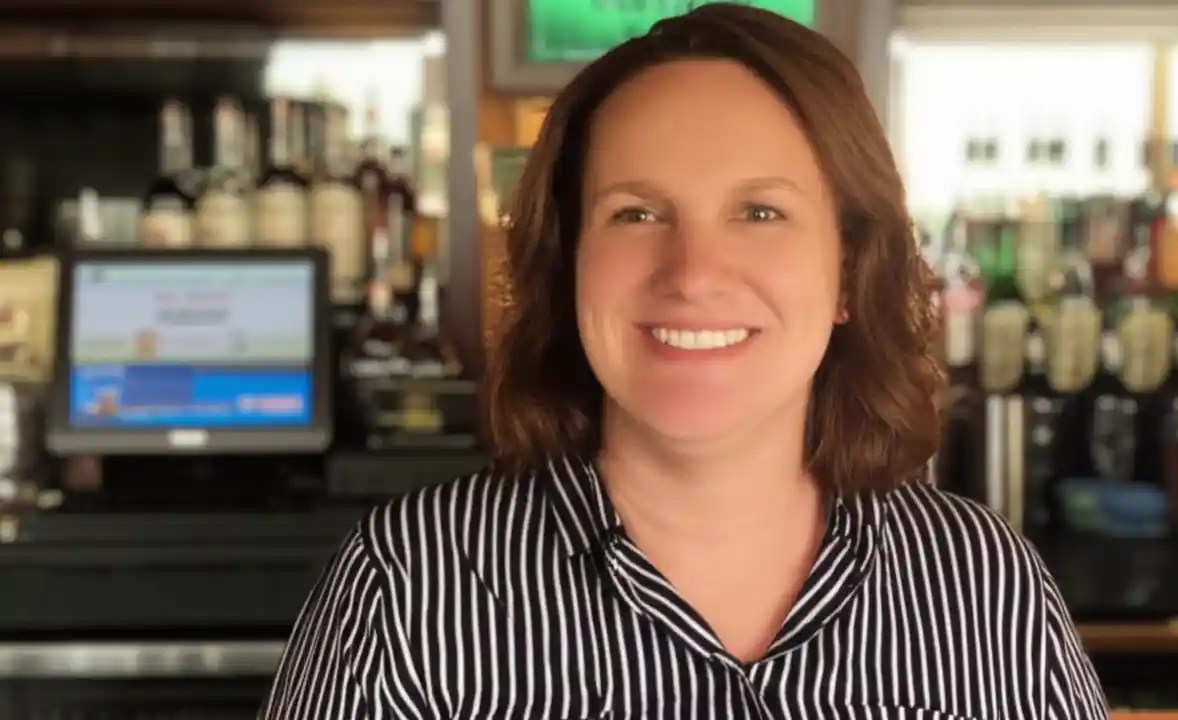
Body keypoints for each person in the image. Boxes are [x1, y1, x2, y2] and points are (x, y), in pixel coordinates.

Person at [261, 4, 1109, 718]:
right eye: (635, 215)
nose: (694, 273)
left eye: (760, 213)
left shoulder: (983, 591)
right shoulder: (410, 590)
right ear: (567, 266)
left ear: (849, 270)